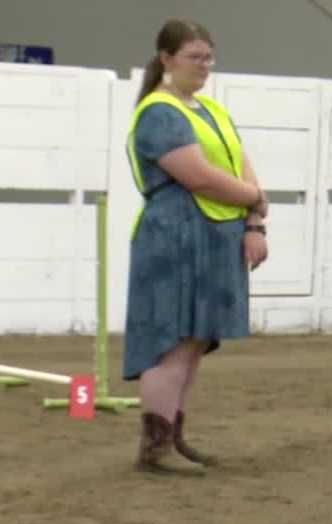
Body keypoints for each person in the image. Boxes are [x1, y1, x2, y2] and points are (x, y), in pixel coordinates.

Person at [123, 19, 269, 473]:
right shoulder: (158, 113)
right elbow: (199, 176)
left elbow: (241, 167)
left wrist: (254, 222)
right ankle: (156, 446)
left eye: (209, 58)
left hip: (215, 234)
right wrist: (256, 200)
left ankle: (172, 436)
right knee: (173, 341)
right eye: (195, 57)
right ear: (167, 59)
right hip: (175, 238)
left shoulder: (211, 111)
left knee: (194, 341)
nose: (205, 66)